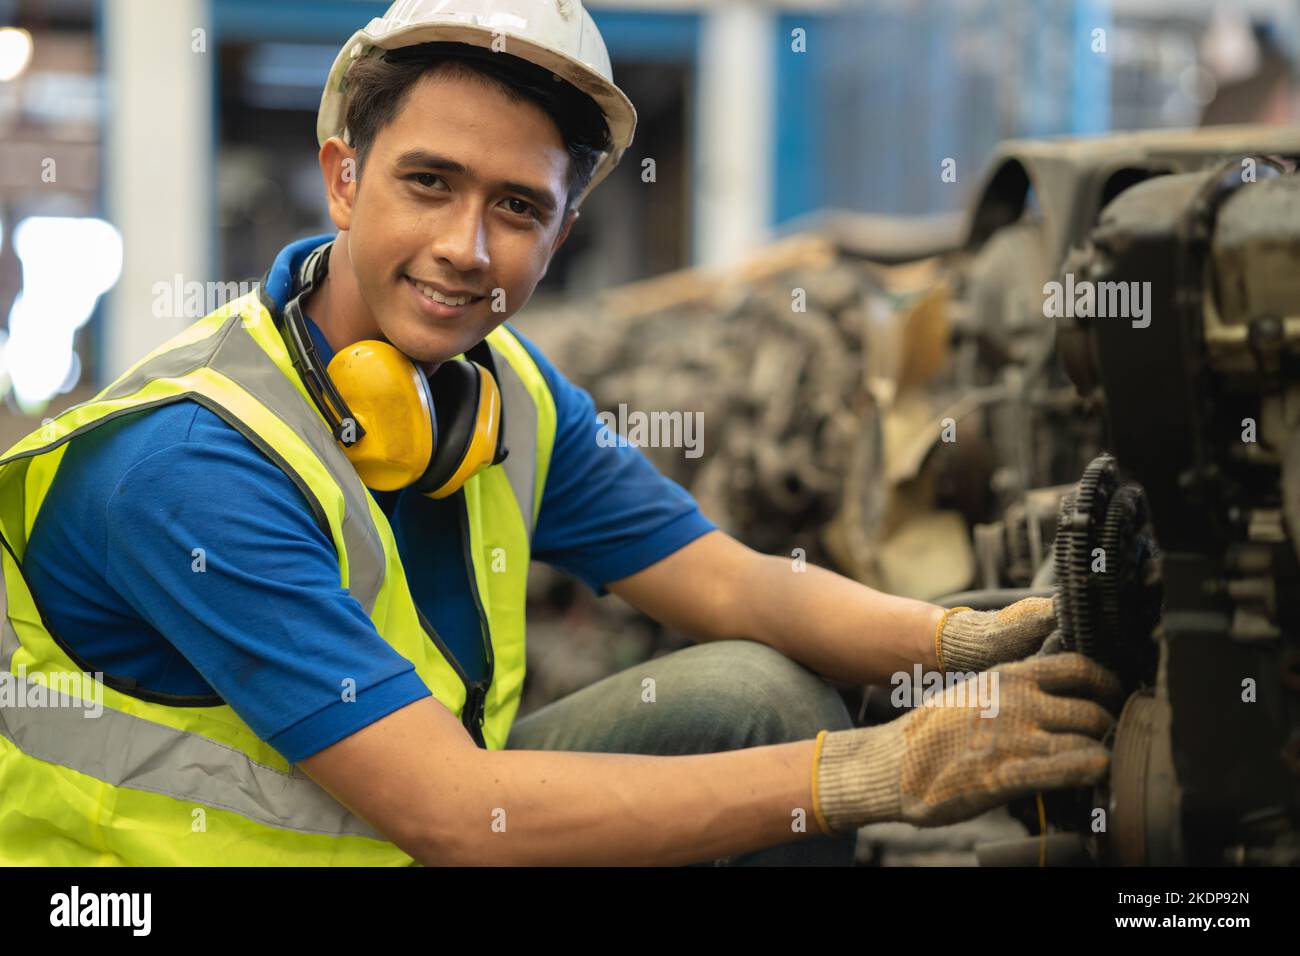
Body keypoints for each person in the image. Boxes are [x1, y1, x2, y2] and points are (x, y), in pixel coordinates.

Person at [0, 0, 1121, 866]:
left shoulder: (502, 396)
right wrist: (883, 770)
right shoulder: (193, 467)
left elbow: (733, 583)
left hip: (400, 836)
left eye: (516, 207)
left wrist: (973, 639)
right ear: (344, 178)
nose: (466, 247)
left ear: (562, 228)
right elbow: (451, 811)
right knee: (794, 740)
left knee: (752, 694)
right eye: (427, 183)